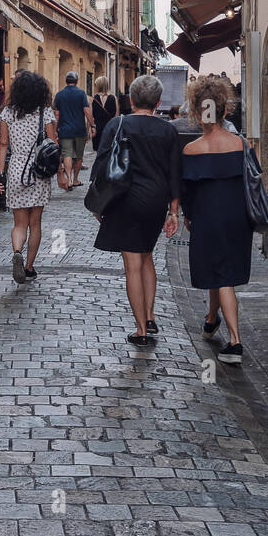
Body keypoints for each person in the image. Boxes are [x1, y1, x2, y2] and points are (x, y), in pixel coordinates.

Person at [92, 75, 181, 346]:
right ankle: (151, 315)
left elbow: (101, 163)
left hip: (124, 198)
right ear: (158, 102)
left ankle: (141, 330)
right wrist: (173, 211)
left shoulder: (118, 124)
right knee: (147, 256)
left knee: (132, 265)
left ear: (130, 100)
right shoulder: (168, 130)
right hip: (155, 200)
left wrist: (98, 204)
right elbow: (175, 173)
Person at [181, 75, 254, 365]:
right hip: (238, 218)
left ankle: (235, 342)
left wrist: (185, 214)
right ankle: (212, 318)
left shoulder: (191, 150)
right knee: (220, 269)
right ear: (225, 110)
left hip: (207, 218)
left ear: (198, 112)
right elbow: (254, 182)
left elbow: (186, 191)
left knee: (221, 276)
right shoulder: (241, 144)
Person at [0, 71, 59, 284]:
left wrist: (0, 173)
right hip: (39, 171)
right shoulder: (46, 113)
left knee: (19, 223)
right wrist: (61, 172)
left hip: (16, 169)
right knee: (36, 222)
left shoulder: (7, 113)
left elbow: (3, 144)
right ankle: (29, 266)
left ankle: (17, 251)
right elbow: (53, 145)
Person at [53, 70, 94, 190]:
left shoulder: (59, 95)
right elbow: (87, 111)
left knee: (67, 154)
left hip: (65, 130)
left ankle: (69, 180)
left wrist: (55, 130)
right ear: (76, 81)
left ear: (66, 81)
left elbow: (57, 115)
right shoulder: (81, 94)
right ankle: (75, 179)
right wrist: (92, 126)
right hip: (79, 130)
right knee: (79, 156)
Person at [90, 76, 117, 152]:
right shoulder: (113, 98)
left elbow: (91, 116)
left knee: (98, 151)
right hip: (110, 128)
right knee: (109, 150)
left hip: (98, 128)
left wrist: (91, 128)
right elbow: (116, 116)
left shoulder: (94, 99)